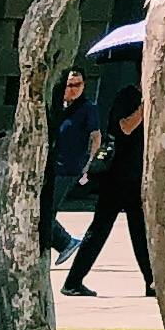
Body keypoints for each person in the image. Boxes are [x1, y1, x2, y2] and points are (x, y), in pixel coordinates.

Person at [60, 84, 147, 297]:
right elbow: (124, 128)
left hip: (135, 176)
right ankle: (73, 281)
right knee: (100, 229)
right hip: (117, 176)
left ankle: (151, 281)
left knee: (140, 232)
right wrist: (144, 108)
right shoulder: (127, 96)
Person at [43, 67, 98, 253]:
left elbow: (95, 136)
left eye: (78, 85)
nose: (74, 89)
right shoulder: (58, 107)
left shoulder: (88, 108)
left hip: (69, 167)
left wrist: (89, 163)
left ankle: (65, 241)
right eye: (70, 85)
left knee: (45, 210)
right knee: (43, 208)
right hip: (51, 164)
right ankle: (50, 244)